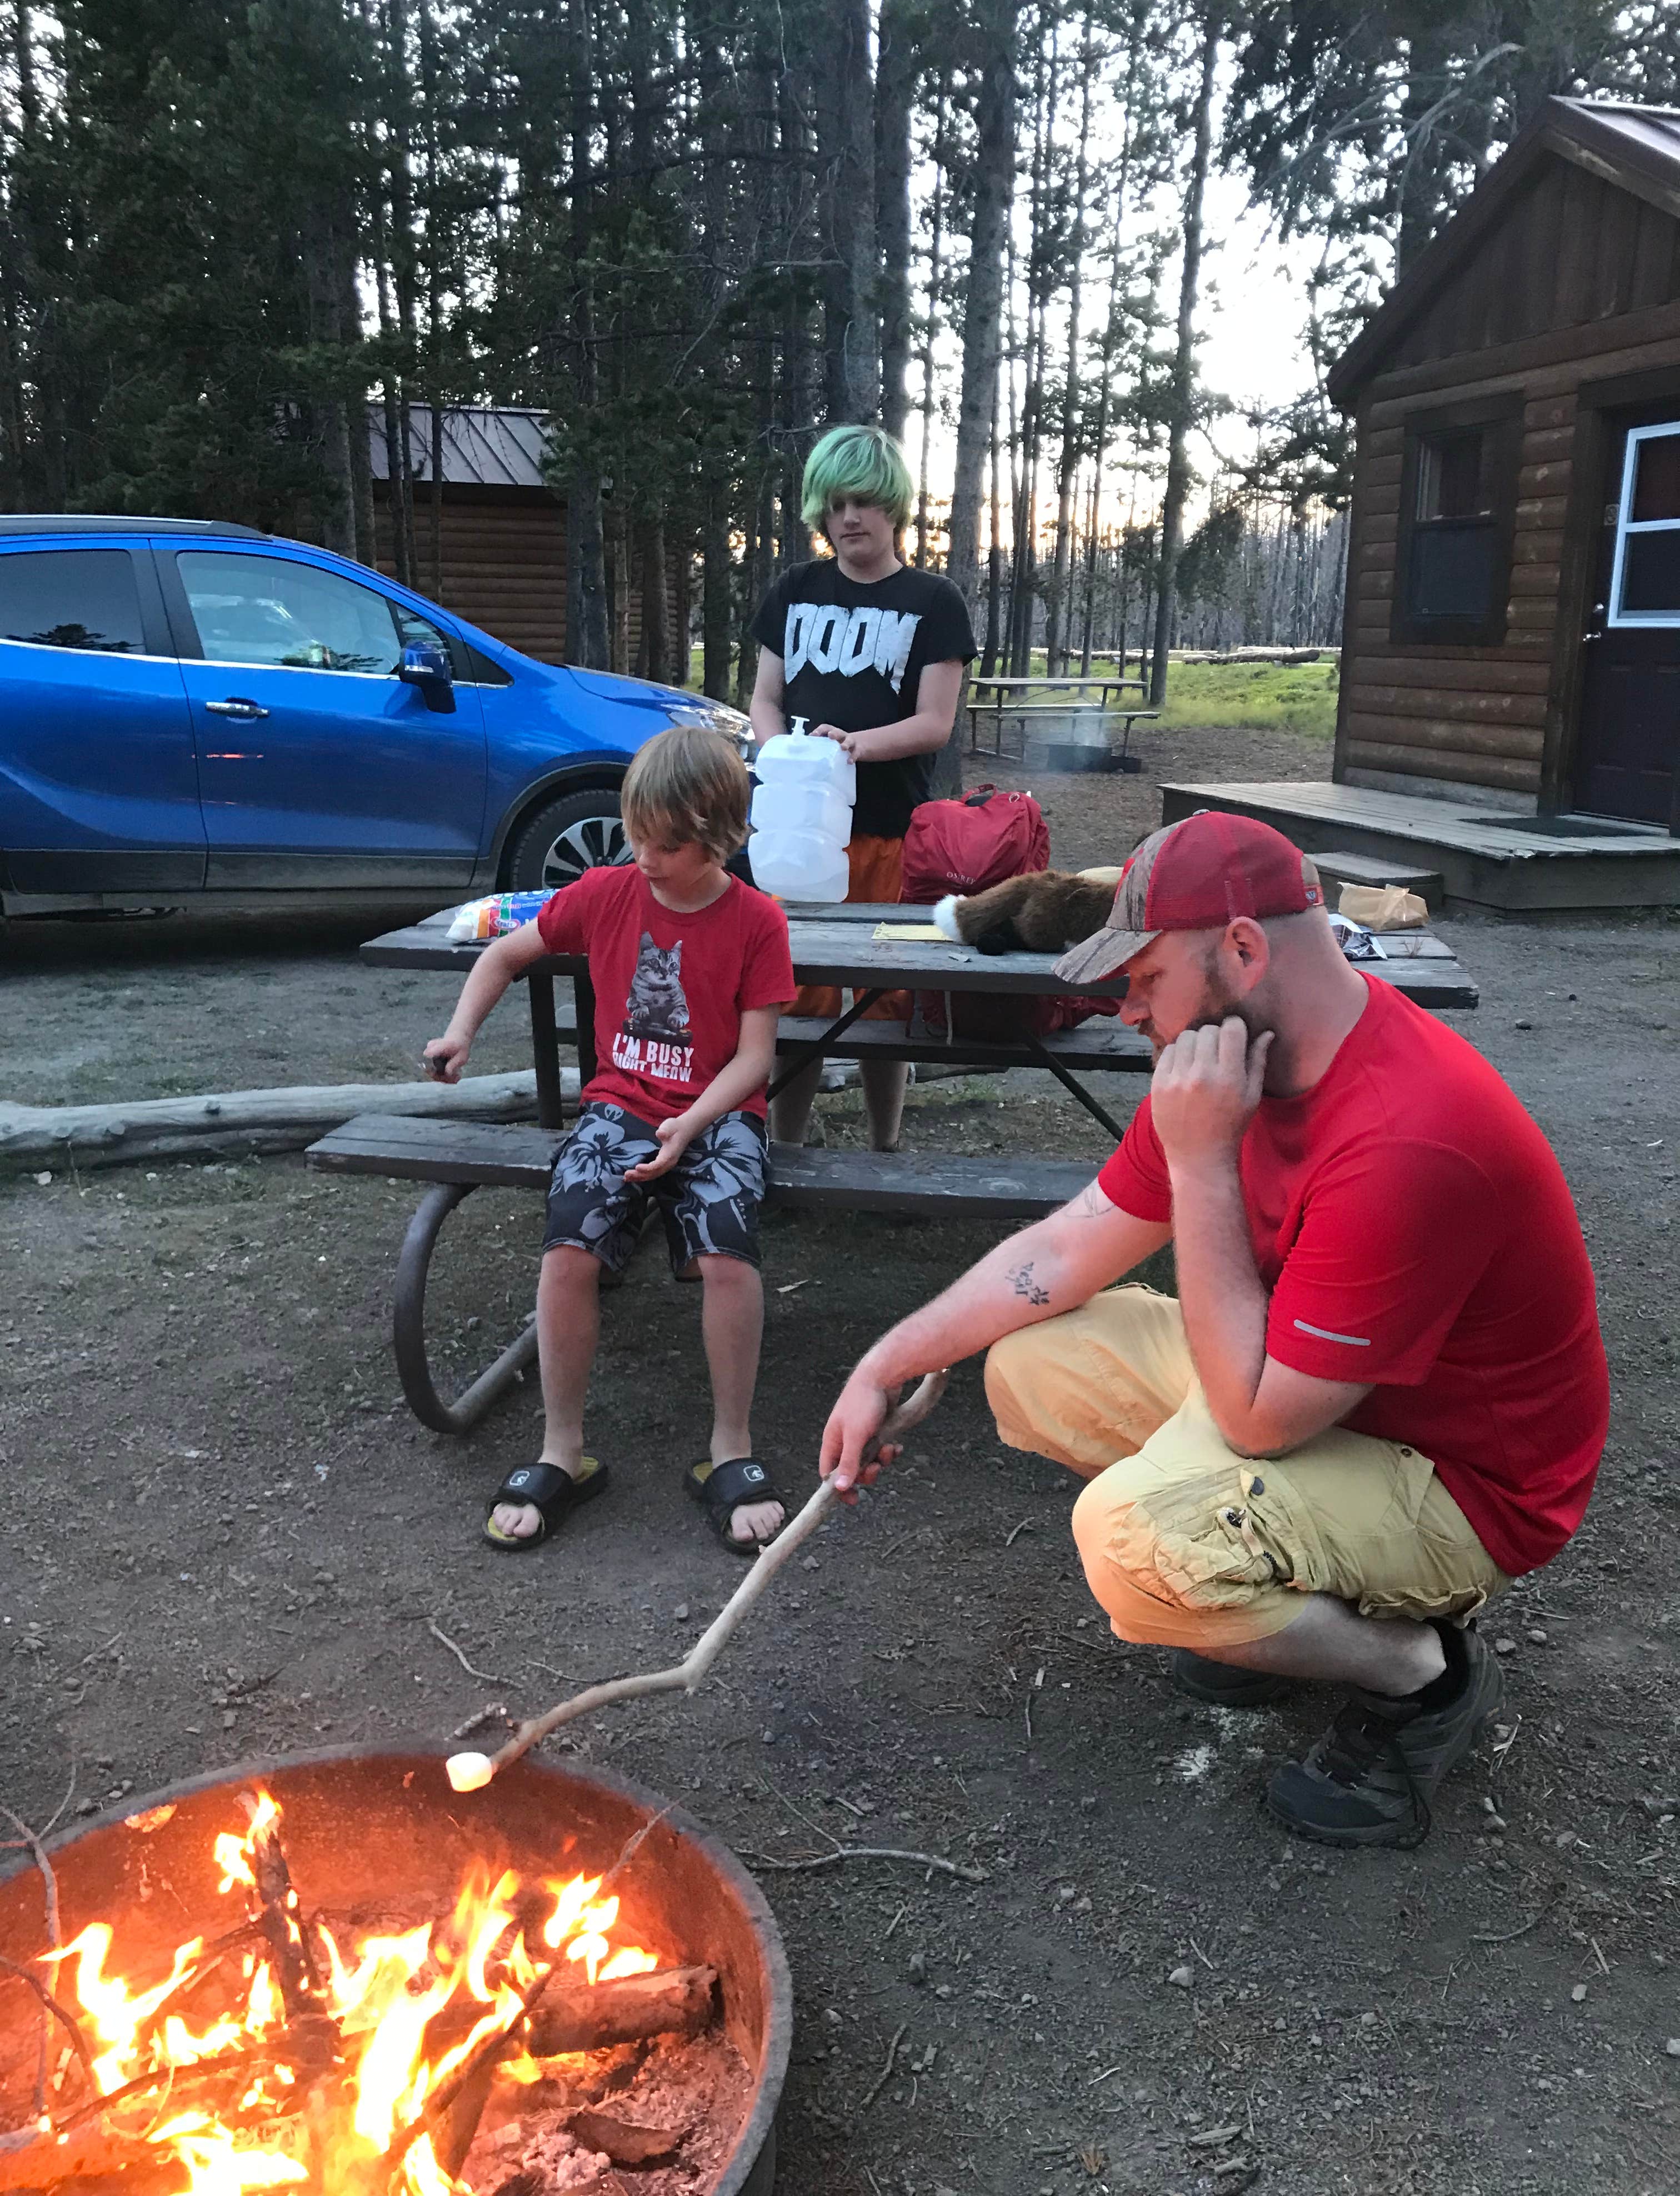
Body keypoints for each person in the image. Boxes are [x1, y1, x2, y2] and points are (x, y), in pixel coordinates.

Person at [818, 812, 1609, 1848]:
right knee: (1034, 1362)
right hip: (1320, 1397)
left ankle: (1422, 1672)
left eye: (1143, 977)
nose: (1125, 1009)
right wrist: (889, 1359)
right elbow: (1065, 1255)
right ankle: (1269, 1595)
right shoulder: (1227, 1060)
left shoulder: (1410, 1136)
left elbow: (1254, 1418)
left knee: (1137, 1544)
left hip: (1463, 1485)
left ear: (1242, 948)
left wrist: (1200, 1167)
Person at [424, 727, 797, 1556]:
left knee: (729, 1253)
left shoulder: (758, 920)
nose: (649, 858)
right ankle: (564, 1450)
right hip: (618, 1107)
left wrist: (693, 1122)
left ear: (721, 836)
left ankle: (729, 1447)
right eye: (638, 836)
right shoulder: (605, 892)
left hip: (719, 1112)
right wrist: (460, 1034)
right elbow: (504, 957)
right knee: (568, 1250)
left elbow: (756, 1059)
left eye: (669, 845)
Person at [748, 423, 976, 1152]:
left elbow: (936, 722)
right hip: (797, 838)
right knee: (797, 996)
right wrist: (780, 753)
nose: (851, 517)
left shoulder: (933, 601)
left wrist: (853, 748)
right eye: (838, 502)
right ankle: (787, 1147)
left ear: (894, 509)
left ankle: (885, 1148)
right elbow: (763, 698)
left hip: (890, 834)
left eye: (867, 503)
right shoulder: (794, 590)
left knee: (884, 1000)